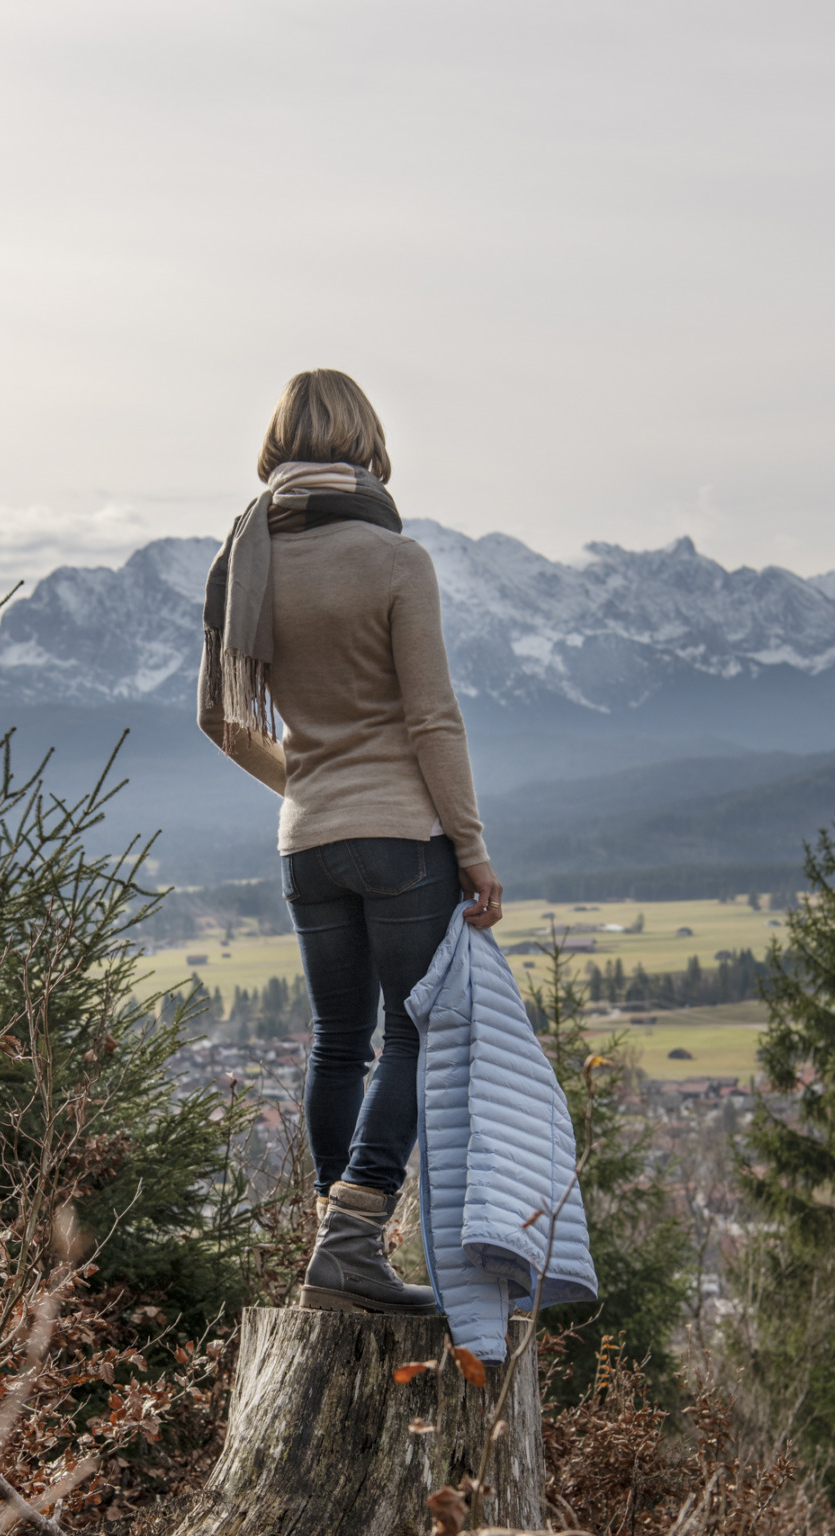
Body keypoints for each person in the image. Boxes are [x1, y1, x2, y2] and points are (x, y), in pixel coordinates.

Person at [198, 369, 503, 1316]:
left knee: (339, 1042)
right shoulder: (395, 560)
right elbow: (433, 721)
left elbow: (221, 721)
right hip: (402, 835)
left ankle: (341, 1249)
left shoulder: (245, 560)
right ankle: (353, 1240)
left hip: (306, 844)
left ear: (278, 445)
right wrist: (473, 847)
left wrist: (311, 785)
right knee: (418, 1028)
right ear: (366, 443)